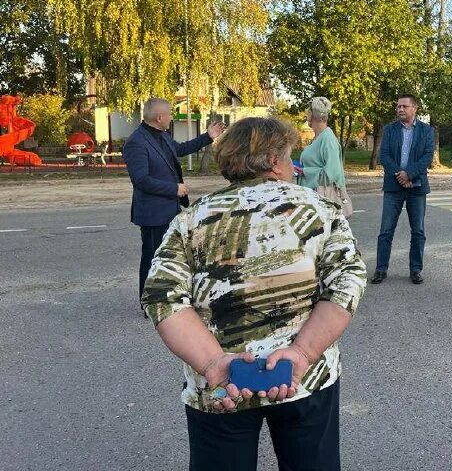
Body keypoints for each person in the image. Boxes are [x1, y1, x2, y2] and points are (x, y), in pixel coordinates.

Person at [141, 116, 367, 471]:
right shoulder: (319, 210)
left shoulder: (191, 220)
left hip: (221, 388)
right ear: (275, 161)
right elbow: (347, 281)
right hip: (304, 379)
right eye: (290, 157)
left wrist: (214, 364)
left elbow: (160, 296)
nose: (293, 167)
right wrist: (303, 354)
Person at [123, 97, 225, 304]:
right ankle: (149, 301)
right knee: (153, 257)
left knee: (171, 255)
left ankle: (167, 295)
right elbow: (140, 180)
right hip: (153, 213)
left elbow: (180, 149)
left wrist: (208, 136)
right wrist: (174, 188)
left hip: (170, 208)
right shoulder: (136, 142)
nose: (172, 117)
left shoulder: (162, 135)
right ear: (160, 117)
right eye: (170, 114)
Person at [372, 94, 435, 285]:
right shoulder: (390, 129)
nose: (400, 109)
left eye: (404, 106)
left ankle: (415, 269)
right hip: (393, 186)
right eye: (398, 106)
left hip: (417, 187)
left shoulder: (426, 131)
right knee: (386, 231)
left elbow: (427, 157)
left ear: (414, 108)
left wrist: (409, 174)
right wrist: (400, 175)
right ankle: (381, 269)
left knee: (418, 231)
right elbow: (384, 156)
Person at [297, 96, 346, 191]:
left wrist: (305, 172)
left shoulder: (328, 139)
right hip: (313, 196)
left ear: (312, 115)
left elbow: (332, 174)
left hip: (323, 199)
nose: (307, 116)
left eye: (308, 112)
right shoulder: (318, 138)